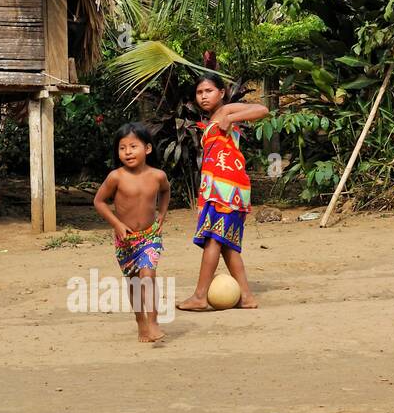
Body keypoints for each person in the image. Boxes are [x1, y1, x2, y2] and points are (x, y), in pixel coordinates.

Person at [177, 72, 267, 311]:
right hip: (218, 190)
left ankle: (199, 296)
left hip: (226, 190)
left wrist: (232, 117)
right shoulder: (211, 120)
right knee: (225, 242)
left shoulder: (225, 112)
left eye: (208, 91)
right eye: (199, 92)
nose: (204, 96)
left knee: (213, 240)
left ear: (221, 93)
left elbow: (262, 110)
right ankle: (247, 297)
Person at [93, 122, 171, 342]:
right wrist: (116, 224)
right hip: (125, 241)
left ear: (147, 149)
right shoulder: (115, 177)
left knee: (148, 275)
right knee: (134, 282)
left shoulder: (157, 176)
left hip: (150, 236)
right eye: (122, 147)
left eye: (133, 146)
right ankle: (141, 322)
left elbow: (166, 192)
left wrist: (162, 213)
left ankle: (154, 321)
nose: (127, 152)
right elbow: (99, 202)